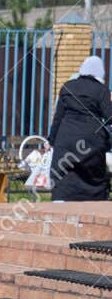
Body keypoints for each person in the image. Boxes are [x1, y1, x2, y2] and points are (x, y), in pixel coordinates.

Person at [49, 56, 112, 201]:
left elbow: (58, 118)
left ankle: (60, 201)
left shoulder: (67, 86)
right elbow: (109, 117)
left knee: (64, 173)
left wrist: (51, 141)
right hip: (91, 140)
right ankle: (93, 203)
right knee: (92, 175)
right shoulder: (102, 90)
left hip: (66, 138)